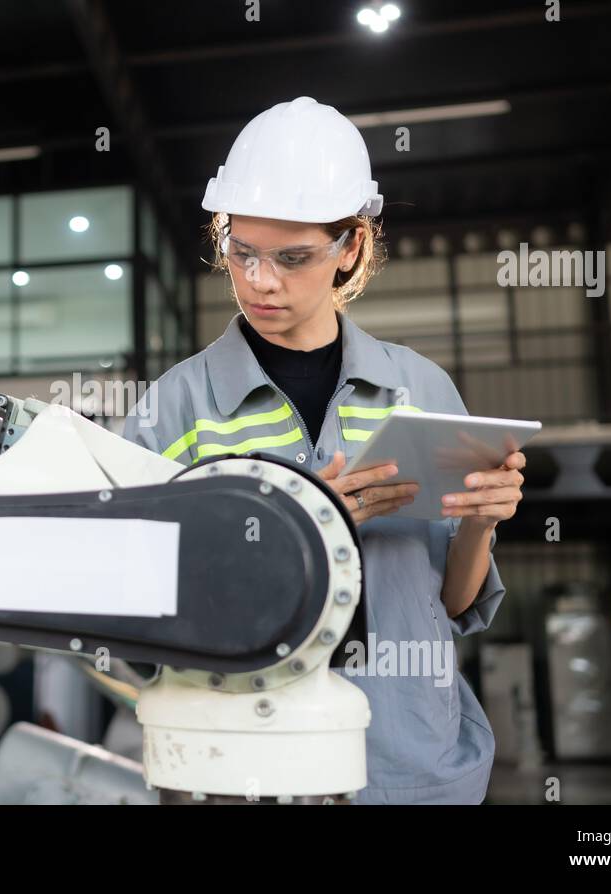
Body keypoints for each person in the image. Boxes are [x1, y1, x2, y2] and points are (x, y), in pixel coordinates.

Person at [123, 97, 526, 804]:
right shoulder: (175, 410)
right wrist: (300, 527)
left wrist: (482, 521)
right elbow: (140, 613)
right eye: (239, 251)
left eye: (293, 257)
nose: (260, 280)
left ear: (354, 247)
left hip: (416, 770)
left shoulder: (419, 388)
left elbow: (453, 603)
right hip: (247, 774)